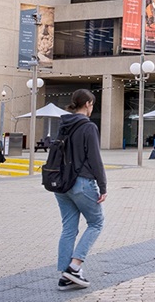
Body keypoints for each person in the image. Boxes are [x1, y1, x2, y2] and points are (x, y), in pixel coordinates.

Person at [53, 89, 108, 291]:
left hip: (61, 184)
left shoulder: (64, 124)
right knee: (96, 222)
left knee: (69, 228)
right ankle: (75, 267)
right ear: (87, 104)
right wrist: (103, 186)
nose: (92, 107)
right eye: (92, 104)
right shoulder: (88, 127)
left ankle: (64, 276)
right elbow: (95, 159)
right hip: (81, 182)